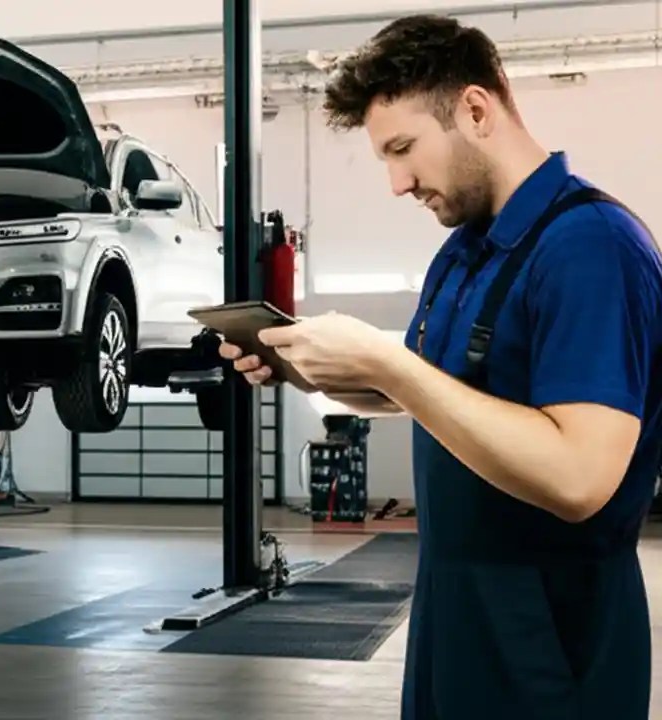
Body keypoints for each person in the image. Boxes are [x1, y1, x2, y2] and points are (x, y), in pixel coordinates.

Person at [220, 14, 662, 720]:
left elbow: (582, 478)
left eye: (403, 149)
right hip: (452, 623)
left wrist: (390, 366)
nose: (398, 182)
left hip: (552, 642)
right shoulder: (465, 251)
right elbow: (440, 397)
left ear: (476, 110)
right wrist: (308, 366)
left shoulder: (591, 247)